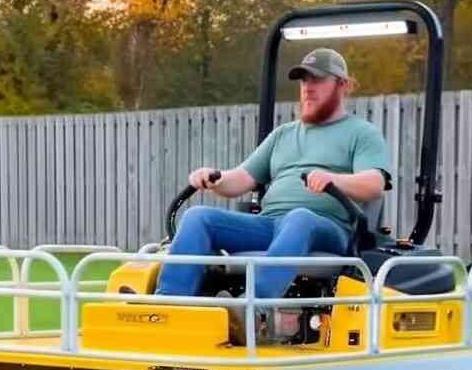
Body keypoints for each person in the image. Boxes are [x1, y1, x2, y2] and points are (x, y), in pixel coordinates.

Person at [155, 47, 392, 339]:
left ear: (342, 85)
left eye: (317, 80)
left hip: (327, 228)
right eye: (304, 81)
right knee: (198, 217)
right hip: (270, 224)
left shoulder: (361, 133)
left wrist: (333, 179)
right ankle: (166, 308)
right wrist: (214, 178)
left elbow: (374, 183)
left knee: (300, 218)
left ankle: (253, 309)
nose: (308, 88)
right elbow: (240, 179)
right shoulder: (283, 134)